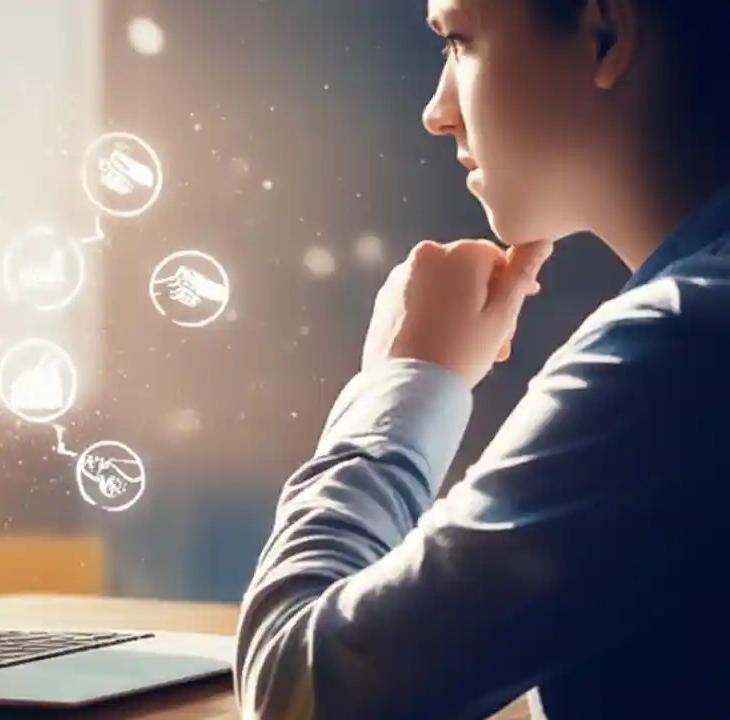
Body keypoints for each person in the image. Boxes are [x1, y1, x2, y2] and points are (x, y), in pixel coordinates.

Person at [235, 1, 730, 718]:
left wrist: (405, 384)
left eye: (461, 42)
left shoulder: (678, 350)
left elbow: (295, 693)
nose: (438, 112)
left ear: (604, 34)